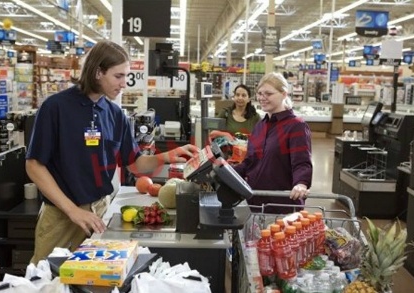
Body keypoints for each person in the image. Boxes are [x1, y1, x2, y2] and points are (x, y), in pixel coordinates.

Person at [26, 40, 199, 264]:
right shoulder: (55, 107)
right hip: (61, 215)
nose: (124, 84)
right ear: (98, 72)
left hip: (99, 211)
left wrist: (167, 156)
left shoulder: (115, 114)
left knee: (95, 279)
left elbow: (134, 163)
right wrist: (72, 211)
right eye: (118, 76)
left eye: (126, 76)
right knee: (47, 281)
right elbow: (34, 165)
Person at [233, 72, 312, 214]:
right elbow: (250, 161)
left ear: (283, 94)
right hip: (255, 205)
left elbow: (301, 162)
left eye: (268, 94)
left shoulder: (295, 125)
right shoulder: (260, 126)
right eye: (260, 93)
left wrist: (301, 183)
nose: (262, 98)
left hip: (282, 207)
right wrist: (226, 171)